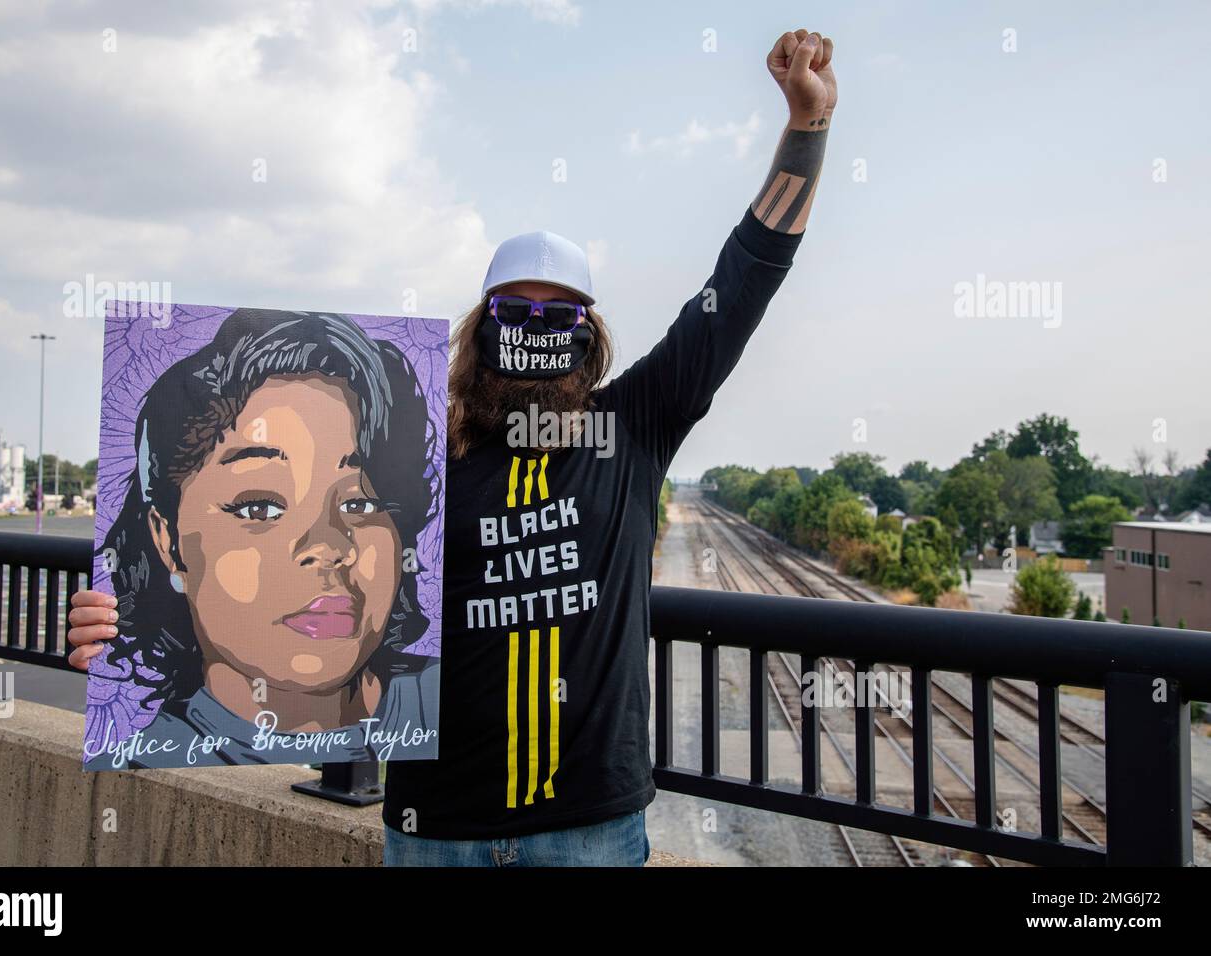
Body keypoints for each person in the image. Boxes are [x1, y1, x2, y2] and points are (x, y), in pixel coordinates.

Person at [68, 27, 835, 864]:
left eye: (559, 316)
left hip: (590, 833)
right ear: (481, 330)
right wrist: (127, 632)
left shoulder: (635, 425)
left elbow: (748, 274)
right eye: (514, 313)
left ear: (589, 339)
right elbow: (285, 562)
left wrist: (806, 127)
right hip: (434, 834)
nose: (535, 330)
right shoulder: (408, 458)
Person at [80, 308, 441, 770]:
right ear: (168, 541)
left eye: (360, 504)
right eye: (259, 508)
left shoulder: (455, 707)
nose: (328, 546)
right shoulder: (150, 770)